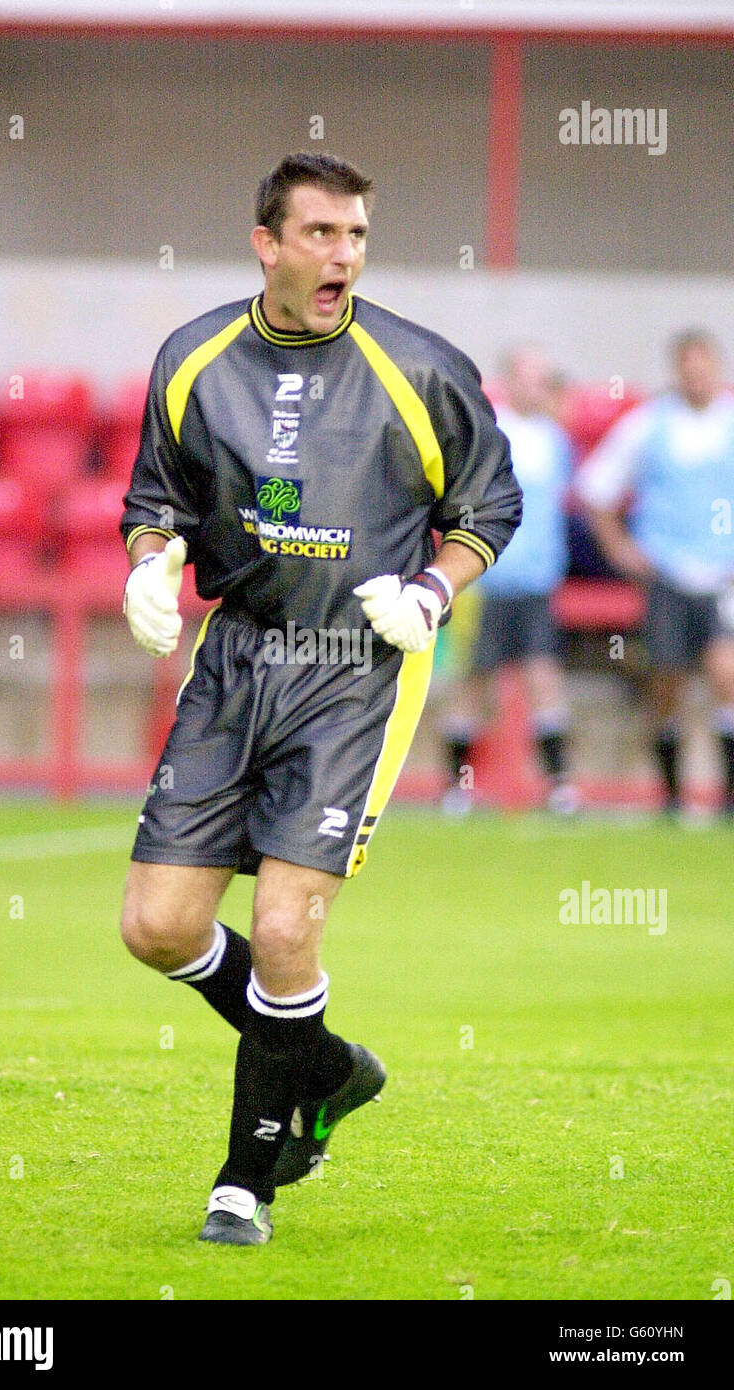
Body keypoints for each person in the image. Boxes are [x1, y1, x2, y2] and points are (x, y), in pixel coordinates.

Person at [118, 152, 522, 1246]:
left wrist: (434, 591)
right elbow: (156, 498)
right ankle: (328, 1063)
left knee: (286, 926)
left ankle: (243, 1183)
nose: (343, 254)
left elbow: (492, 504)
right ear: (268, 245)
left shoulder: (420, 367)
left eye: (355, 235)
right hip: (235, 659)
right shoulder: (192, 358)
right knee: (156, 928)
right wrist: (149, 564)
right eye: (321, 235)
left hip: (355, 674)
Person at [575, 330, 734, 816]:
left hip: (721, 576)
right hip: (667, 572)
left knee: (726, 673)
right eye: (689, 367)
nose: (698, 376)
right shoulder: (648, 425)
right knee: (668, 682)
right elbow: (595, 490)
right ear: (677, 371)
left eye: (705, 367)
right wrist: (622, 549)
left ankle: (727, 795)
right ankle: (670, 791)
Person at [440, 345, 576, 814]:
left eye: (544, 379)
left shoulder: (556, 439)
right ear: (510, 381)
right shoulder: (490, 433)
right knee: (473, 683)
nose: (538, 388)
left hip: (536, 585)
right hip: (485, 581)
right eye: (529, 378)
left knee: (544, 677)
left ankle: (559, 785)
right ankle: (457, 787)